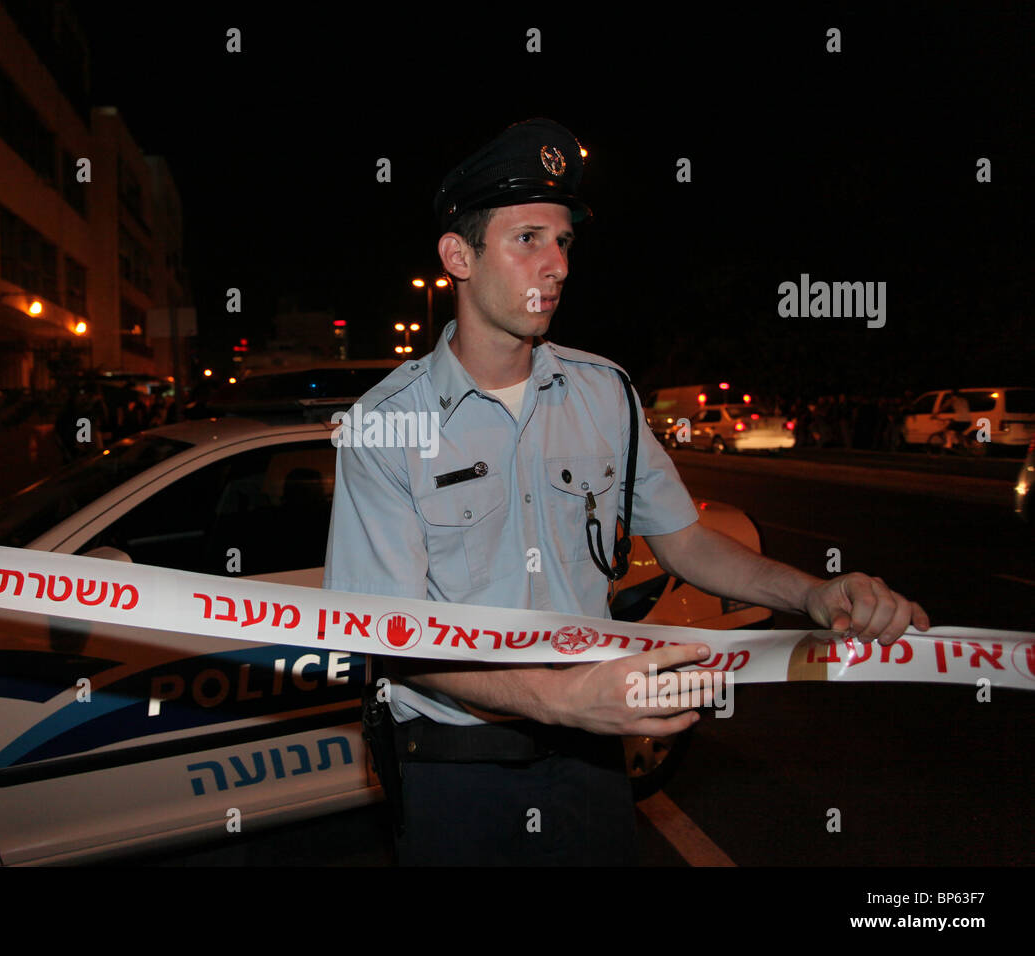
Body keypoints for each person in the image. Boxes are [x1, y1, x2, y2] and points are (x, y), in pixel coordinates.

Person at [323, 118, 930, 866]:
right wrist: (562, 699)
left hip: (592, 754)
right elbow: (387, 639)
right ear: (459, 257)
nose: (557, 265)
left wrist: (811, 594)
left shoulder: (603, 393)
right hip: (457, 765)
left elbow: (685, 538)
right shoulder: (383, 425)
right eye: (528, 239)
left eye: (564, 242)